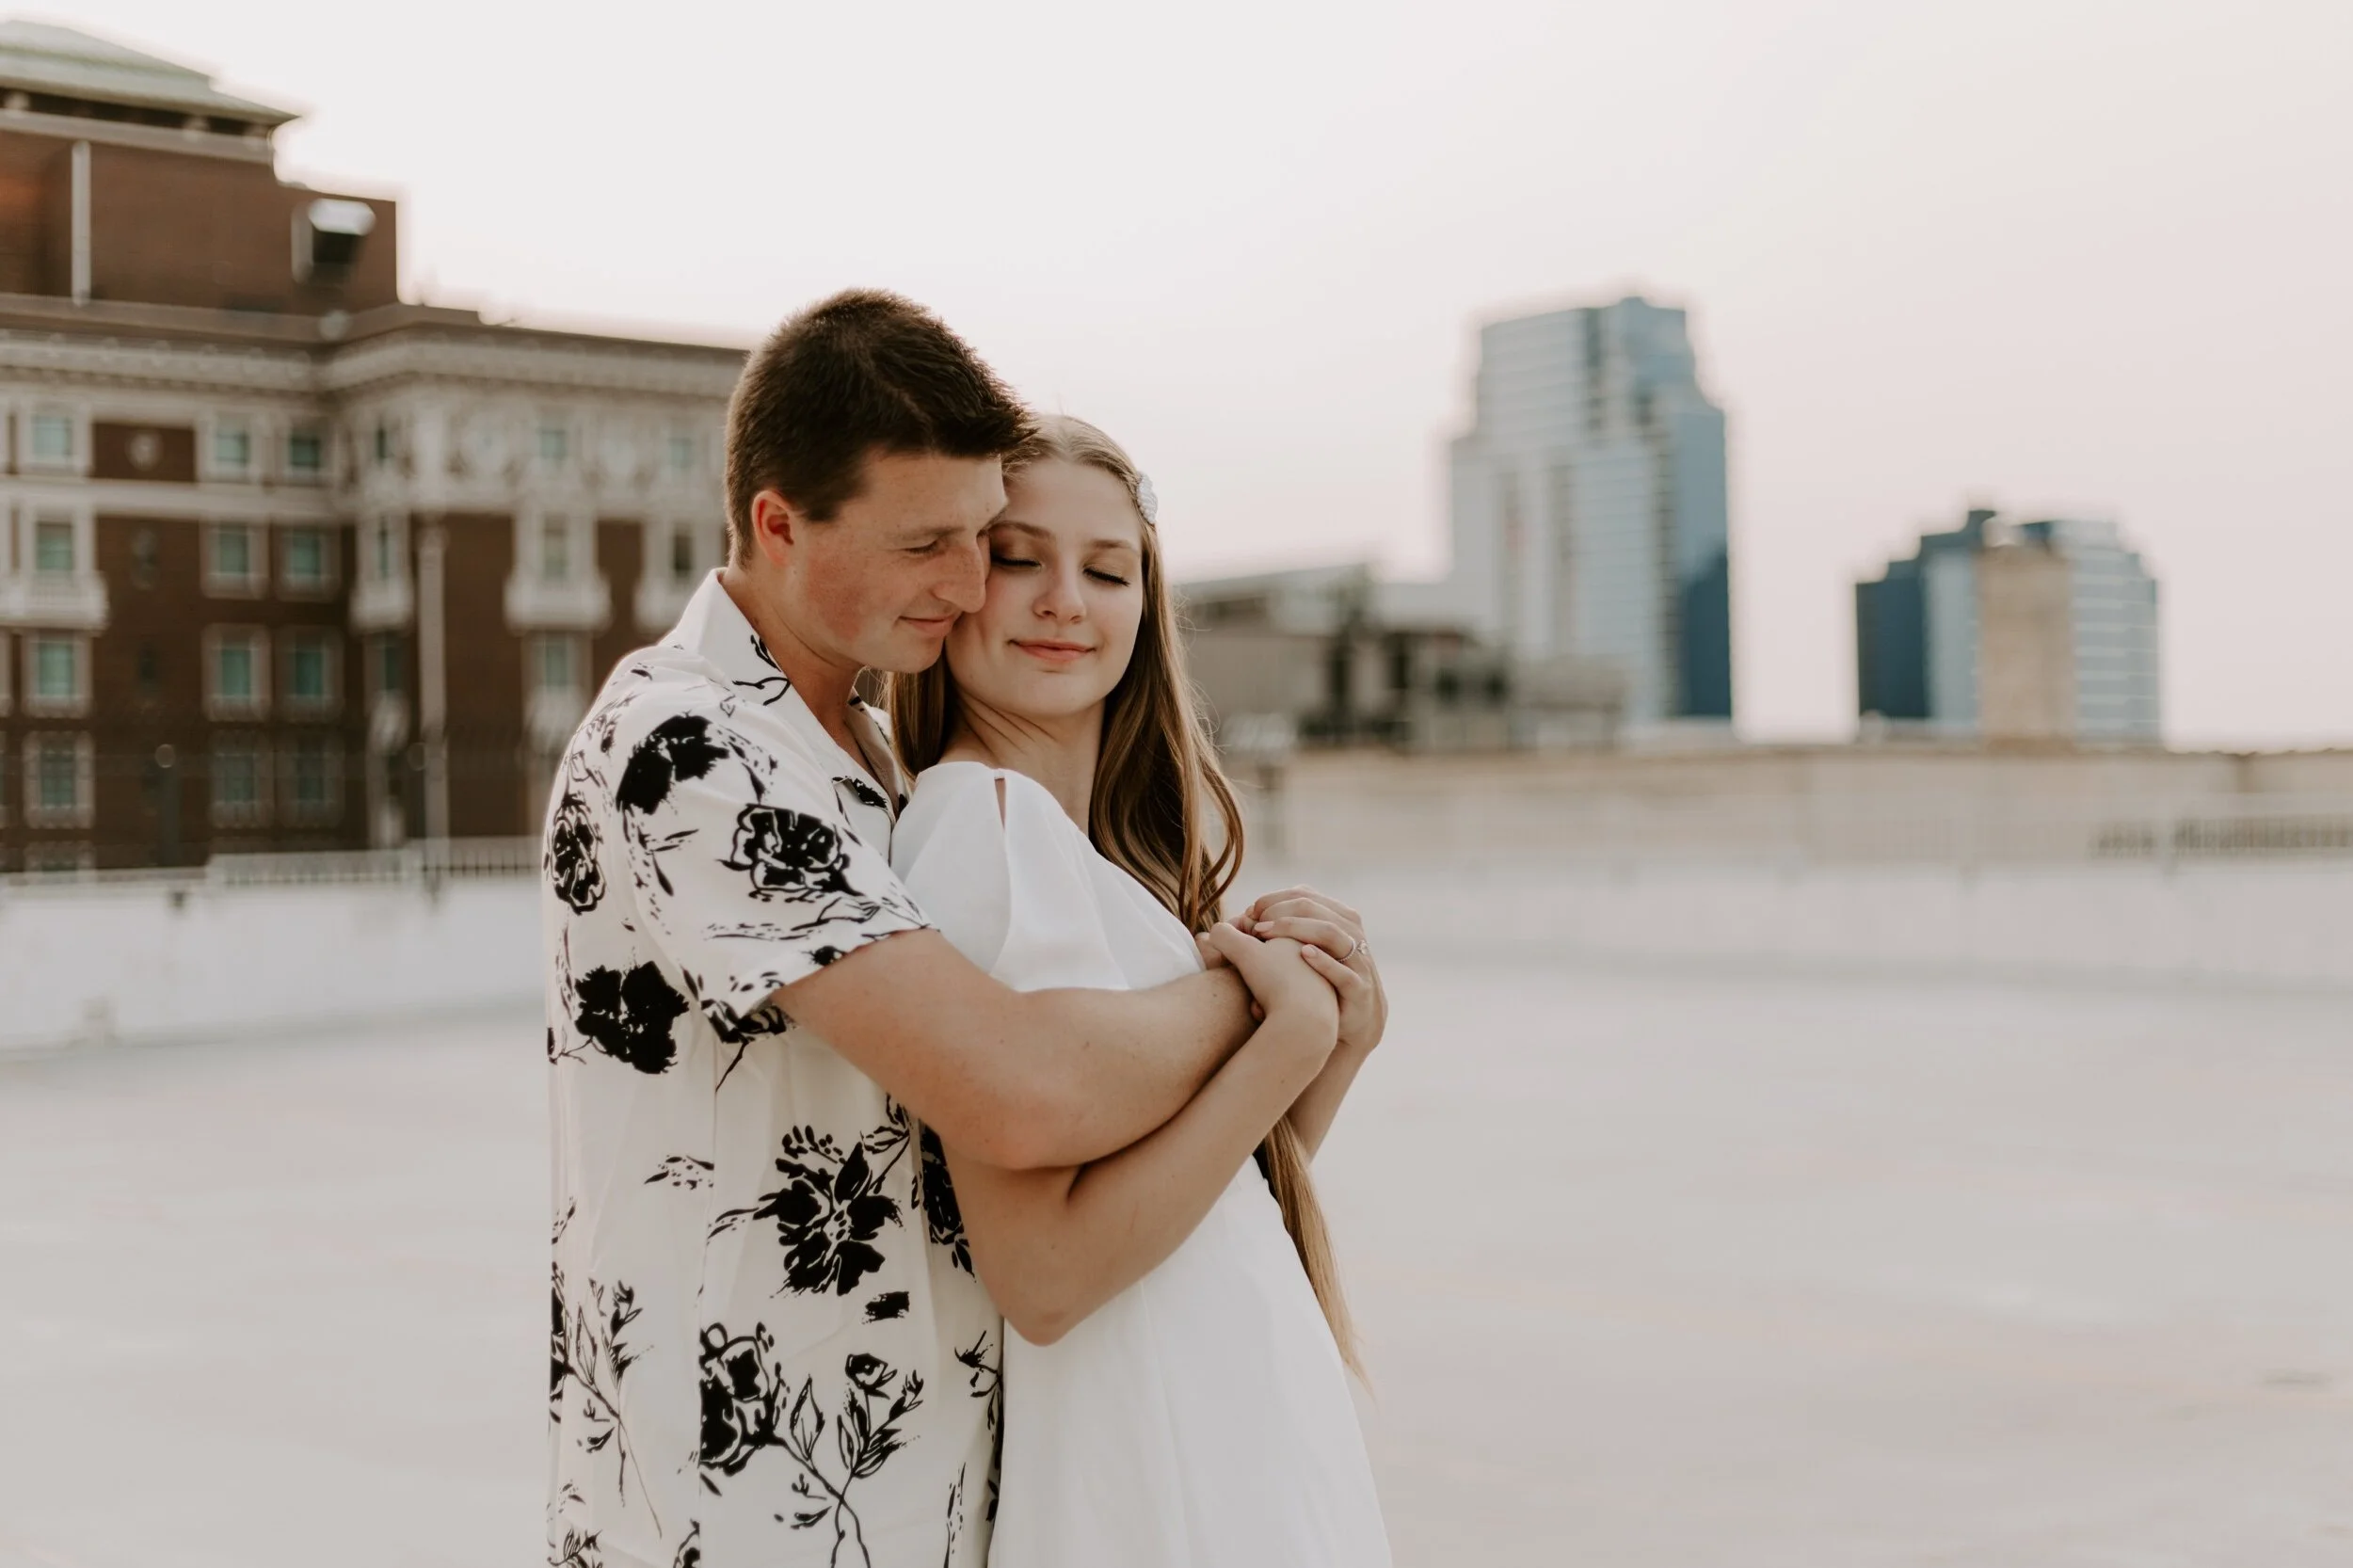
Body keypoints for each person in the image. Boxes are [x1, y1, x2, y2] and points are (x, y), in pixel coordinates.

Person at [543, 291, 1343, 1568]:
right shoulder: (692, 749)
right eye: (936, 544)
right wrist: (1264, 998)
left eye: (986, 537)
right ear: (779, 524)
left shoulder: (857, 762)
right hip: (746, 1516)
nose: (975, 586)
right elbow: (1024, 1090)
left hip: (901, 1494)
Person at [888, 415, 1391, 1566]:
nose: (1066, 599)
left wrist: (1335, 1046)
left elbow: (1205, 1194)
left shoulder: (1091, 855)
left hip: (1228, 1421)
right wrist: (1275, 1044)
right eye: (1019, 557)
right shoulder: (982, 823)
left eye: (1108, 569)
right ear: (955, 582)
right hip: (1157, 1465)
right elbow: (1047, 1274)